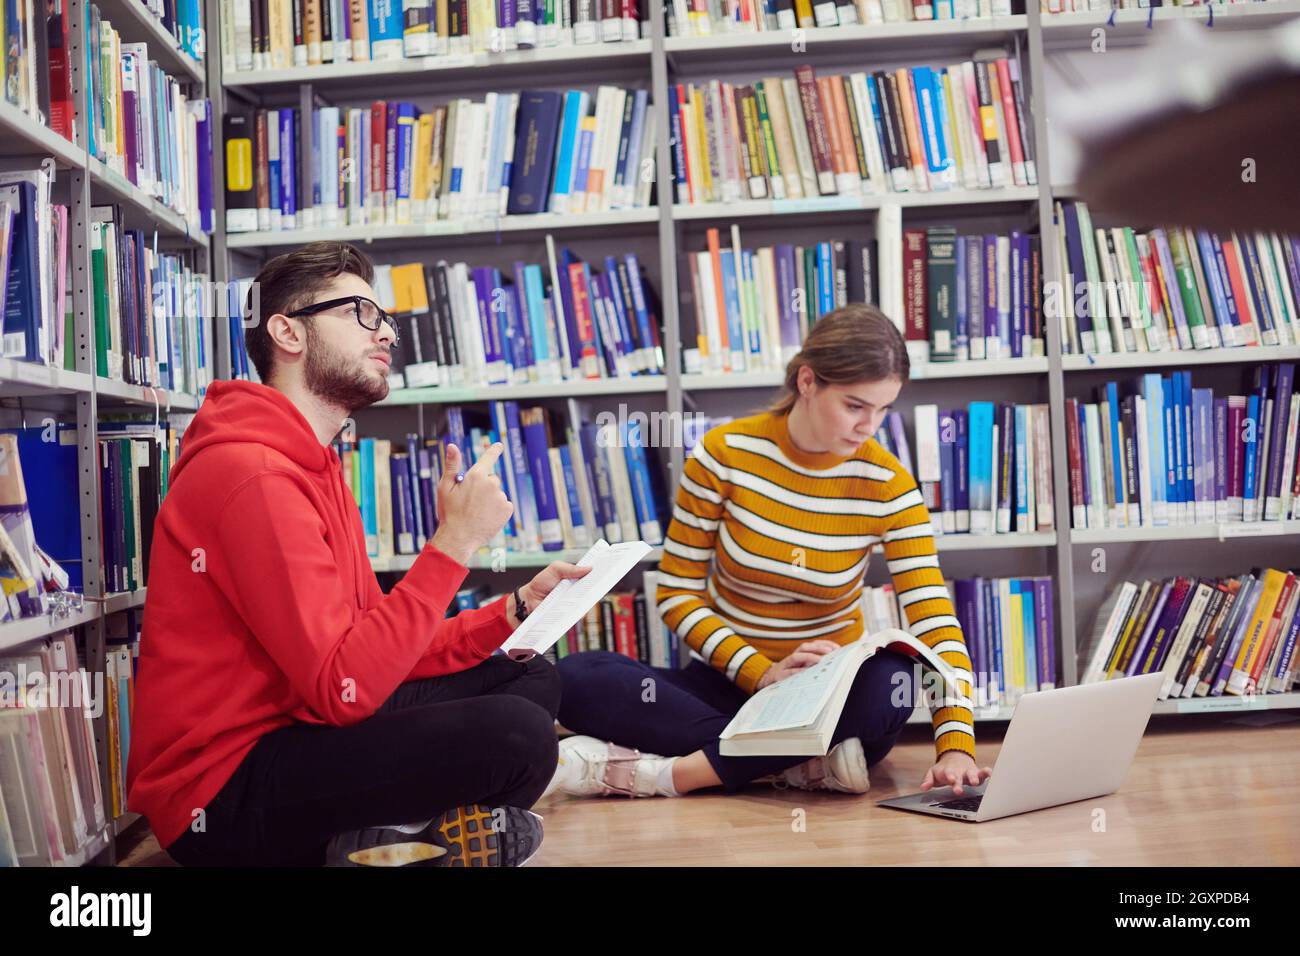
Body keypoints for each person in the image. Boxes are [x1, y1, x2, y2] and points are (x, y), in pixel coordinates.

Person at [126, 241, 588, 867]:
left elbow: (375, 651)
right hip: (224, 792)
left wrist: (509, 612)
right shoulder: (253, 475)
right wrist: (453, 544)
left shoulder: (315, 464)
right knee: (517, 735)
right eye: (360, 314)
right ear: (286, 330)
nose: (387, 336)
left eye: (386, 320)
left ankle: (387, 839)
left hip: (302, 724)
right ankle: (397, 837)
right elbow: (345, 689)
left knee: (528, 672)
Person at [548, 304, 992, 800]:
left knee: (892, 680)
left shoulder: (888, 483)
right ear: (807, 381)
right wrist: (760, 673)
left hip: (827, 698)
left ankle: (670, 773)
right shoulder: (724, 454)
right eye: (855, 406)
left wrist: (957, 744)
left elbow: (932, 618)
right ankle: (801, 766)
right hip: (729, 683)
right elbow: (676, 593)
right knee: (574, 676)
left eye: (884, 409)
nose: (871, 426)